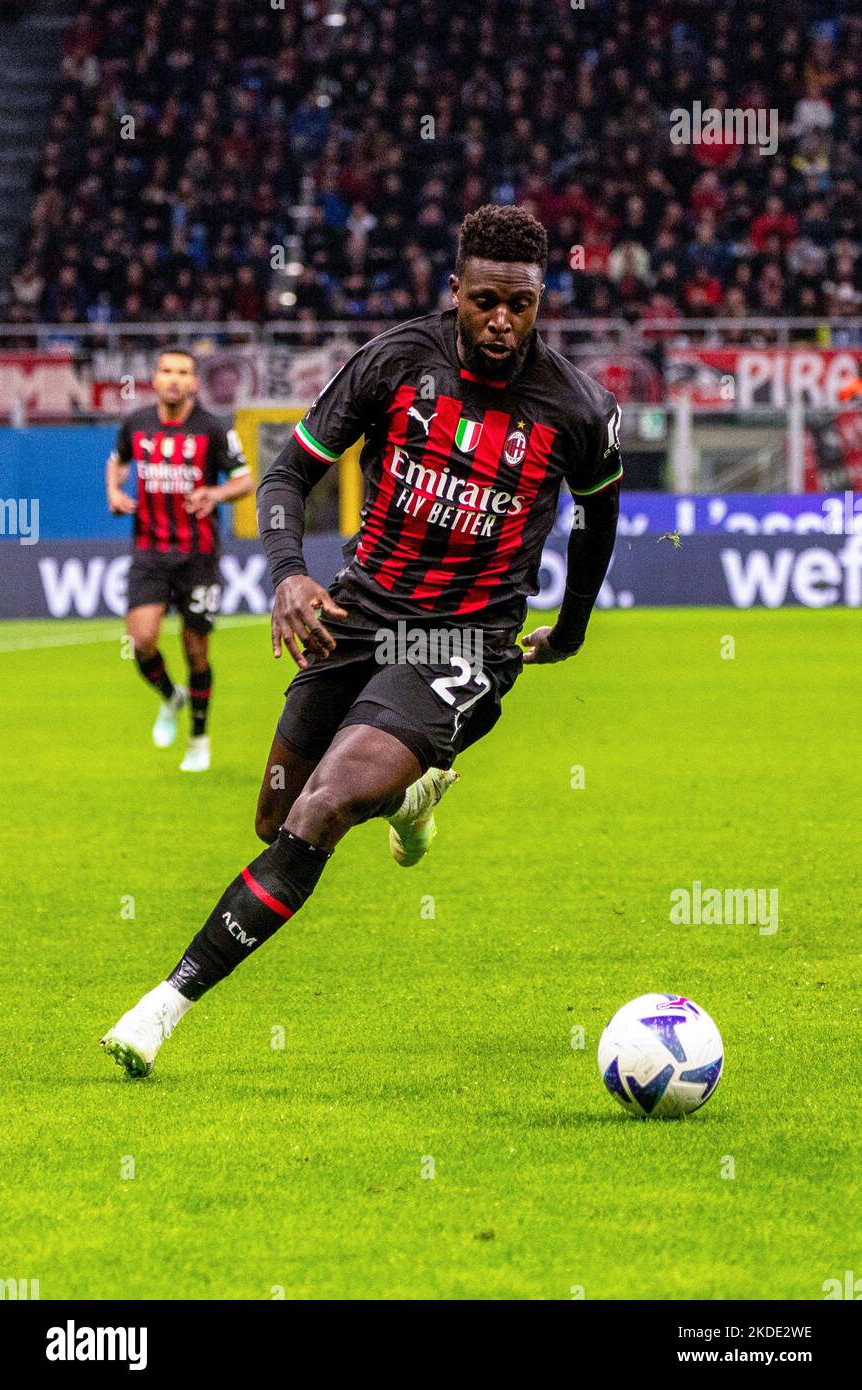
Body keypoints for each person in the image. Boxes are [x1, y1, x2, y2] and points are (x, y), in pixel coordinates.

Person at [101, 205, 621, 1075]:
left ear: (541, 301)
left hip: (464, 642)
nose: (503, 321)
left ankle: (162, 1006)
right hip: (358, 615)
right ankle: (412, 796)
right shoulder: (393, 361)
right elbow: (289, 472)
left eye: (522, 305)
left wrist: (567, 631)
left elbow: (598, 525)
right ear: (456, 291)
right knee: (274, 815)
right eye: (486, 300)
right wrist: (287, 574)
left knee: (319, 813)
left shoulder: (577, 408)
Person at [106, 347, 254, 771]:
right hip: (149, 553)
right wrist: (115, 494)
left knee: (197, 652)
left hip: (198, 556)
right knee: (142, 641)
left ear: (193, 382)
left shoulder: (213, 427)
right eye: (167, 371)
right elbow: (116, 463)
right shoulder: (135, 424)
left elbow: (244, 480)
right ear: (155, 378)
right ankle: (172, 697)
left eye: (183, 372)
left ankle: (199, 739)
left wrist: (215, 492)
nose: (174, 379)